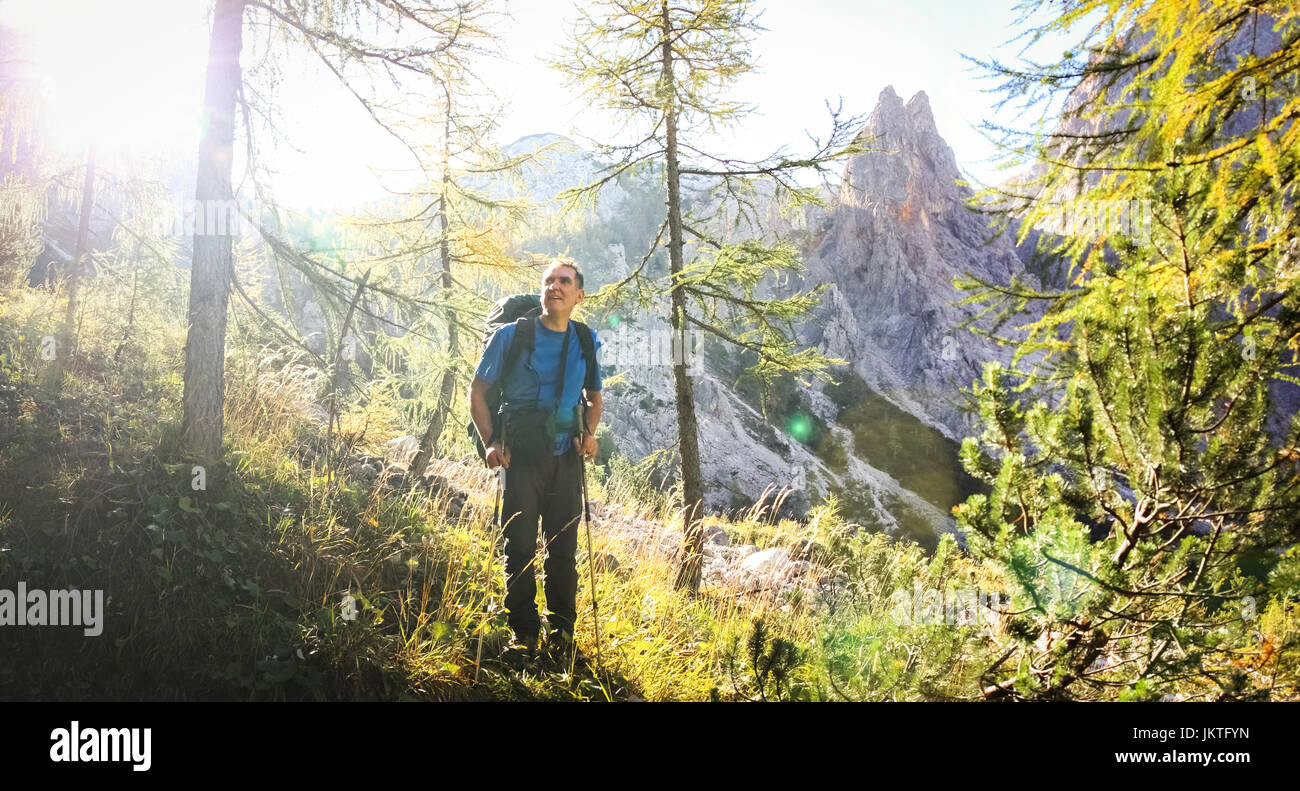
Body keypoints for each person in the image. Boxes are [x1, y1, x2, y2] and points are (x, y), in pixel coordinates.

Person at [468, 257, 602, 661]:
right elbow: (477, 394)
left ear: (579, 294)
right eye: (548, 281)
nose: (554, 287)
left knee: (563, 551)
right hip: (520, 457)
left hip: (566, 459)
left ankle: (562, 634)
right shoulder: (511, 336)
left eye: (564, 282)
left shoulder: (584, 339)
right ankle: (524, 634)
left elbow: (594, 398)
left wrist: (590, 435)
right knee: (520, 547)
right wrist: (491, 442)